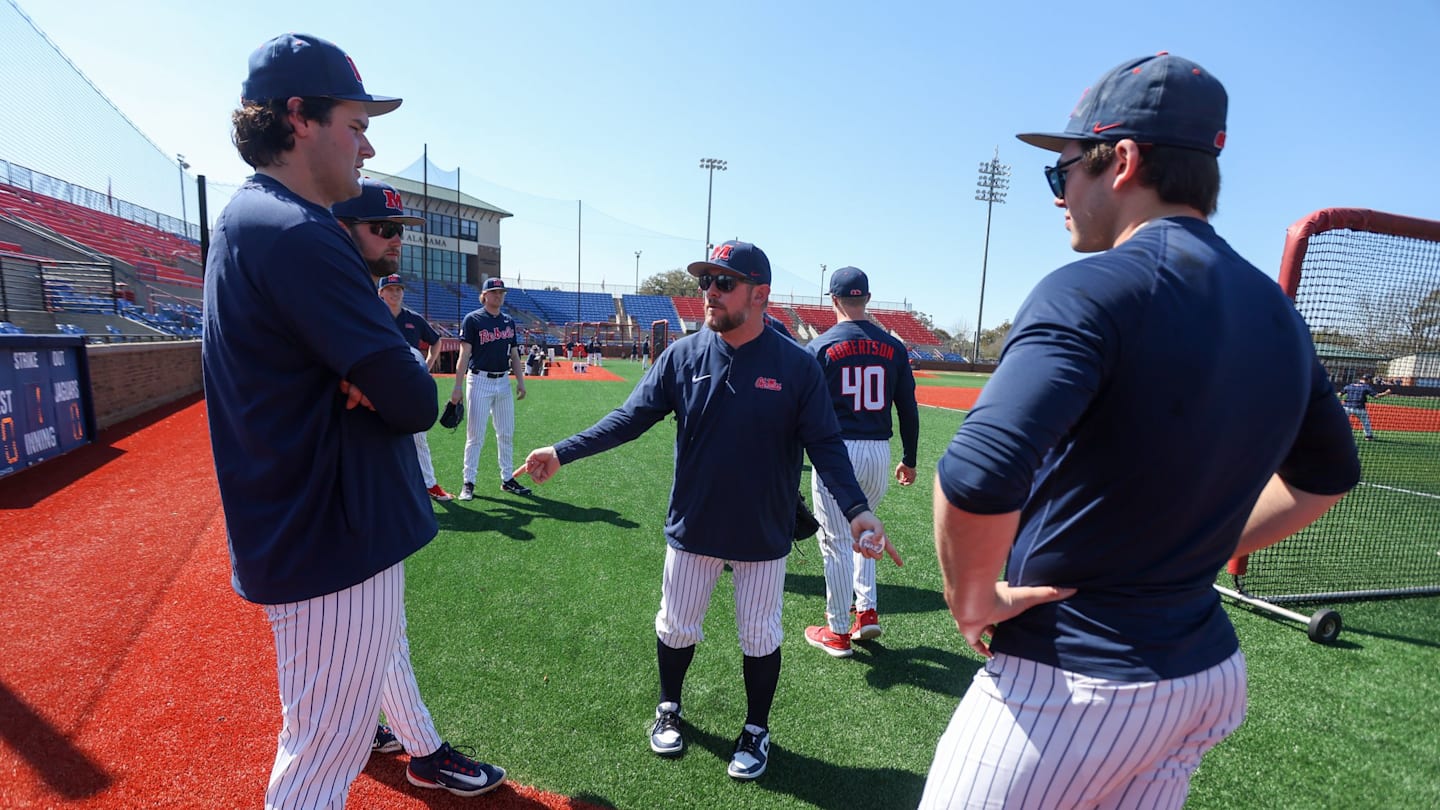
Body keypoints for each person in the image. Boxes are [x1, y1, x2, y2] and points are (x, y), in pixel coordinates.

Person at [919, 53, 1361, 809]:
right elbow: (1328, 474)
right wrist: (1206, 546)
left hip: (1075, 683)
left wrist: (972, 600)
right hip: (1205, 675)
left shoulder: (1090, 288)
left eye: (1062, 174)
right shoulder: (1277, 312)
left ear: (1121, 161)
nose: (1058, 197)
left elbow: (977, 473)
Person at [203, 33, 505, 807]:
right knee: (319, 761)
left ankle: (423, 747)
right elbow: (412, 400)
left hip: (313, 524)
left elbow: (395, 389)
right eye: (356, 122)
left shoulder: (253, 218)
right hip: (328, 533)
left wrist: (376, 378)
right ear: (298, 118)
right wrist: (387, 378)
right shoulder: (297, 231)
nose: (368, 145)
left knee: (341, 716)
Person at [515, 240, 891, 781]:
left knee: (760, 635)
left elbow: (827, 448)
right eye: (705, 282)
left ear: (759, 294)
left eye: (724, 283)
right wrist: (561, 452)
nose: (708, 293)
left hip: (763, 530)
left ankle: (756, 728)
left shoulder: (797, 367)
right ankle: (669, 706)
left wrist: (858, 511)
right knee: (675, 625)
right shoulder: (683, 356)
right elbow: (628, 419)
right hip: (694, 525)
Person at [802, 267, 920, 658]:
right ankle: (865, 611)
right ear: (867, 298)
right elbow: (908, 409)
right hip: (879, 451)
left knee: (835, 541)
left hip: (836, 451)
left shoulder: (820, 346)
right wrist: (911, 459)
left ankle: (836, 629)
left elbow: (801, 410)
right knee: (866, 534)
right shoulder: (894, 347)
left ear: (833, 299)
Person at [333, 180, 452, 502]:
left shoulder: (376, 309)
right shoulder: (332, 303)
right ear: (344, 230)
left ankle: (428, 483)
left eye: (400, 229)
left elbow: (419, 406)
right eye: (384, 228)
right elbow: (416, 404)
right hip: (339, 490)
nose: (397, 239)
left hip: (381, 487)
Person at [453, 277, 530, 500]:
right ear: (484, 295)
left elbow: (514, 354)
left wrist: (521, 381)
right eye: (495, 292)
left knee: (506, 433)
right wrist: (457, 386)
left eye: (501, 292)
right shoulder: (473, 319)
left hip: (503, 381)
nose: (499, 296)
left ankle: (507, 479)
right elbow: (464, 355)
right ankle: (468, 482)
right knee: (475, 435)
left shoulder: (508, 321)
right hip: (479, 380)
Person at [1339, 373, 1392, 441]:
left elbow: (1339, 394)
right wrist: (1386, 393)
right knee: (1366, 423)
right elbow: (1376, 396)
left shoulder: (1350, 386)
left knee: (1341, 421)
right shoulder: (1366, 387)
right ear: (1368, 380)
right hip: (1359, 408)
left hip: (1347, 407)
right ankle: (1368, 436)